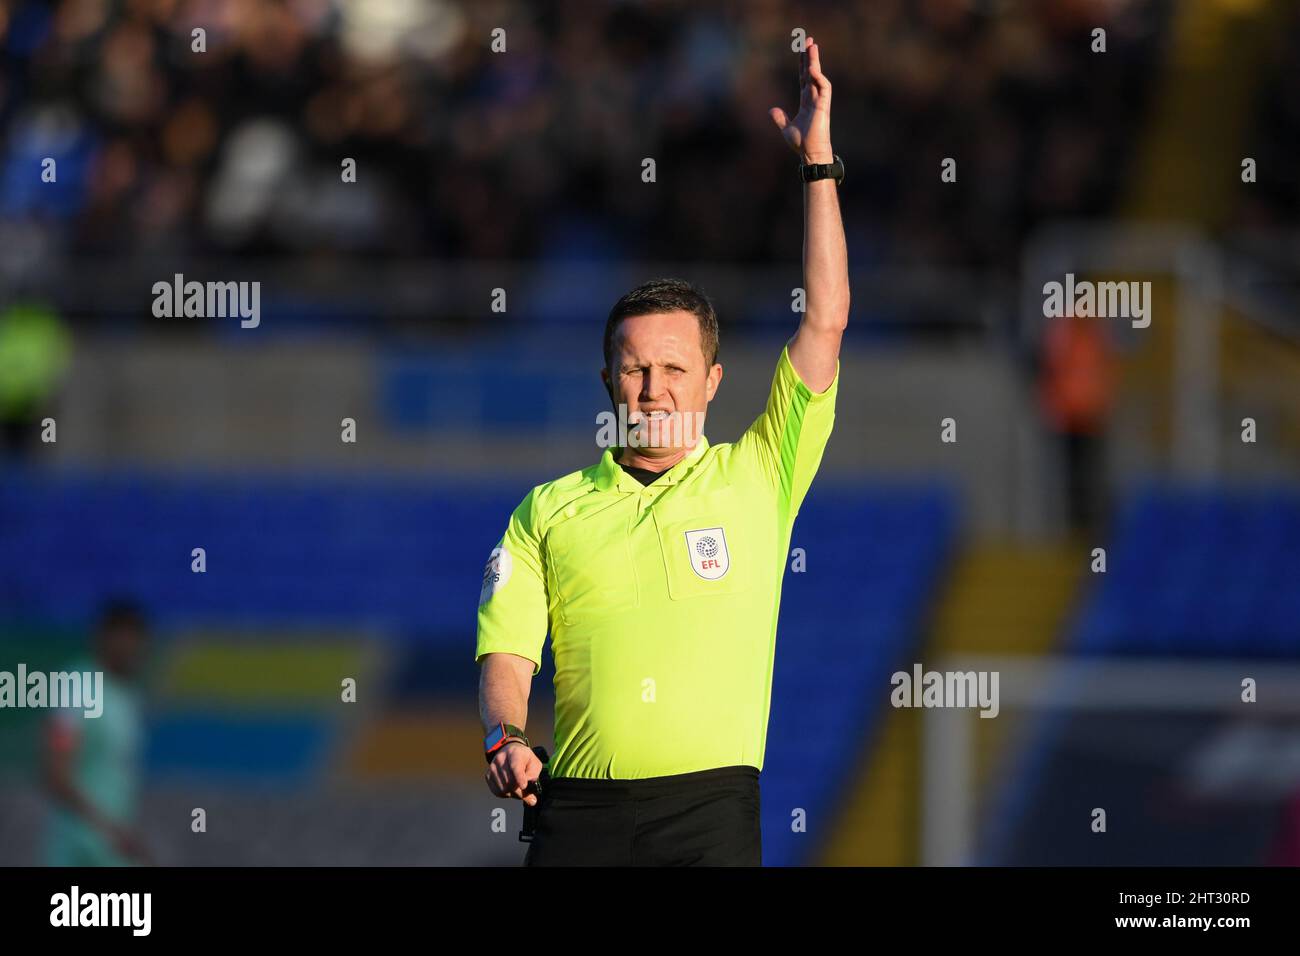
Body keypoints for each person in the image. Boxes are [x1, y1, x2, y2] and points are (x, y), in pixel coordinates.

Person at [475, 39, 849, 865]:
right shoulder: (548, 510)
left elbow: (824, 320)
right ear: (607, 378)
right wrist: (505, 735)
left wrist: (818, 167)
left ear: (712, 380)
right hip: (577, 816)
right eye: (636, 368)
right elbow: (507, 653)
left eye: (674, 368)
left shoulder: (760, 475)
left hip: (710, 813)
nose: (654, 387)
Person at [43, 600, 152, 866]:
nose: (131, 647)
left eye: (136, 638)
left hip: (111, 845)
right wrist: (104, 826)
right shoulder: (78, 686)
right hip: (80, 845)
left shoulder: (126, 696)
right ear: (104, 636)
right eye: (124, 637)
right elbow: (58, 772)